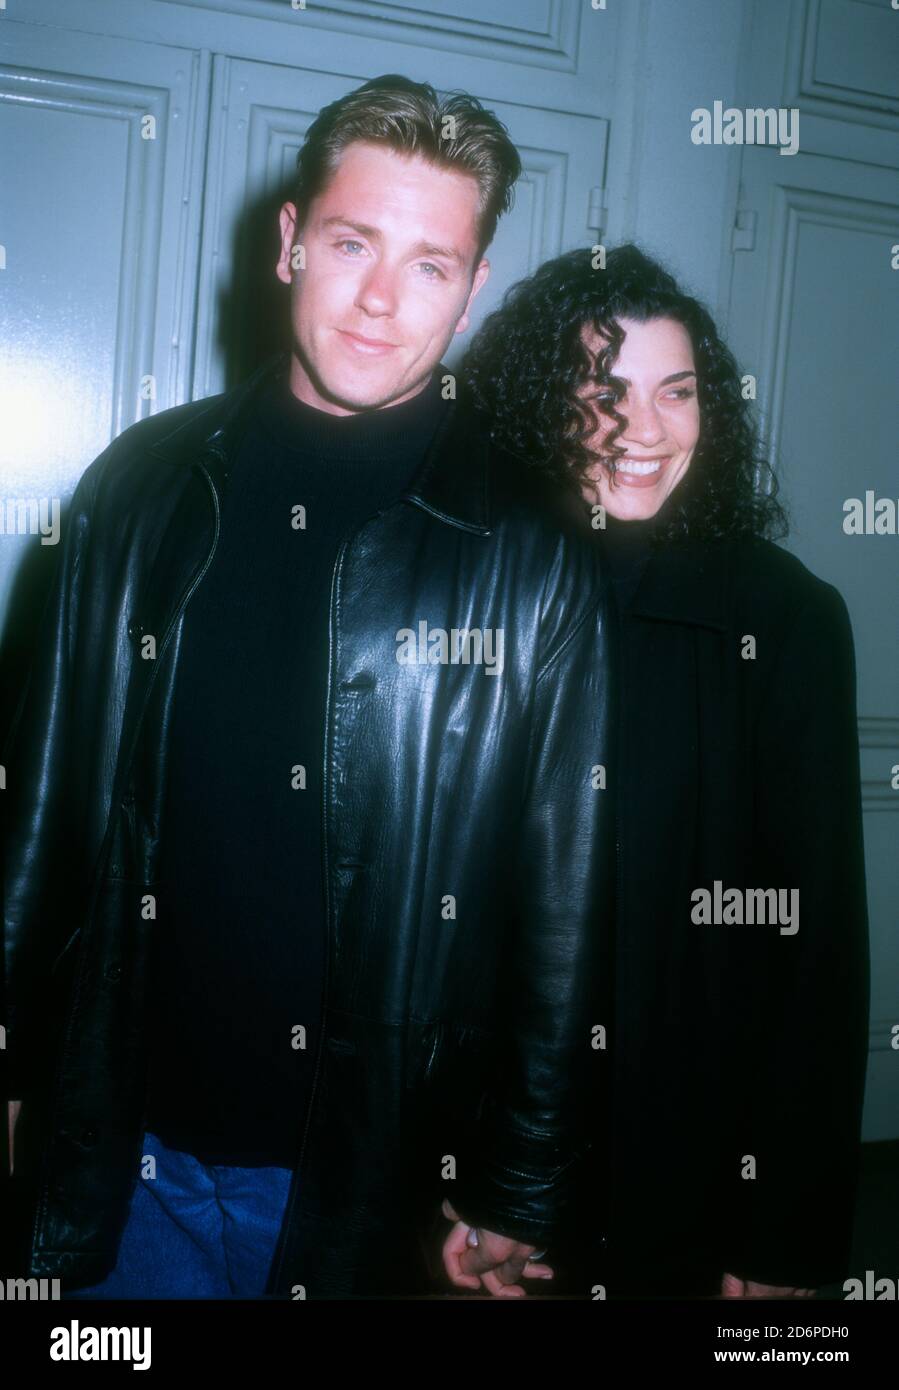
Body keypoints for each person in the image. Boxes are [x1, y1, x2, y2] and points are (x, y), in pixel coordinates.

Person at [1, 76, 616, 1300]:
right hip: (129, 1161)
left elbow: (563, 903)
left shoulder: (534, 547)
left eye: (431, 264)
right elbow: (42, 810)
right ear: (288, 242)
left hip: (363, 1185)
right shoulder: (142, 487)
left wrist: (516, 1178)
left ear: (475, 285)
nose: (382, 300)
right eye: (351, 243)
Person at [459, 243, 870, 1299]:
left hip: (687, 1166)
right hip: (505, 1154)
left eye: (675, 392)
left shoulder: (784, 618)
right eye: (603, 392)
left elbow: (814, 946)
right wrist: (460, 1180)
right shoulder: (477, 588)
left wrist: (784, 1228)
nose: (642, 431)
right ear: (542, 409)